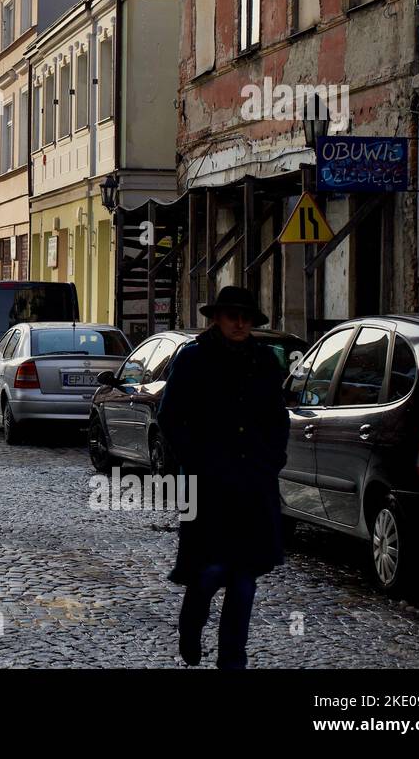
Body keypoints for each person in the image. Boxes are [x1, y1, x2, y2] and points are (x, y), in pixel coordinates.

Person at [155, 286, 289, 669]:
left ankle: (233, 658)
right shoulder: (194, 359)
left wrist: (271, 460)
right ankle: (191, 625)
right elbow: (170, 417)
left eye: (246, 317)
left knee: (245, 576)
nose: (240, 323)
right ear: (216, 318)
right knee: (210, 569)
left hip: (253, 484)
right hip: (207, 485)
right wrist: (197, 461)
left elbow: (277, 418)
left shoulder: (264, 360)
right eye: (232, 316)